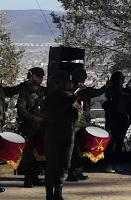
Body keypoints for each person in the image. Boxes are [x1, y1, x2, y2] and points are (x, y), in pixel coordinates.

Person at [41, 70, 82, 200]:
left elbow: (77, 115)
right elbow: (55, 110)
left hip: (68, 132)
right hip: (54, 133)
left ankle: (58, 191)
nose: (69, 84)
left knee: (65, 163)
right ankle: (50, 193)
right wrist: (72, 100)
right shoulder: (52, 96)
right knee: (52, 164)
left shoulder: (70, 96)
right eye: (66, 81)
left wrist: (76, 101)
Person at [16, 68, 48, 188]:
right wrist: (33, 118)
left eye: (41, 77)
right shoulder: (25, 92)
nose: (40, 79)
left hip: (42, 127)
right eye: (37, 76)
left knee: (40, 153)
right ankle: (29, 179)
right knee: (29, 155)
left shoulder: (43, 91)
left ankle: (36, 176)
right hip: (29, 127)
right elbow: (21, 110)